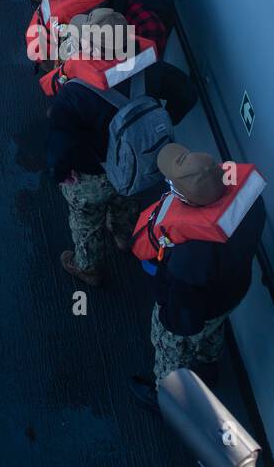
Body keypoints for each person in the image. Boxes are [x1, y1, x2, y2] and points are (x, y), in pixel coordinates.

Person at [47, 35, 198, 285]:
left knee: (87, 222)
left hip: (91, 176)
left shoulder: (73, 93)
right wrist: (165, 122)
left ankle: (88, 267)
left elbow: (58, 150)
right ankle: (125, 236)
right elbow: (187, 92)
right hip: (138, 168)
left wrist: (61, 174)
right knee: (126, 201)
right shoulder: (150, 71)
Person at [129, 148, 267, 408]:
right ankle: (208, 366)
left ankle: (166, 398)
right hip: (232, 293)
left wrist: (167, 321)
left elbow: (183, 315)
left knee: (170, 350)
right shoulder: (251, 203)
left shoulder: (190, 256)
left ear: (183, 197)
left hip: (195, 309)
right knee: (213, 330)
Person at [38, 5, 160, 98]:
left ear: (94, 50)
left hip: (90, 105)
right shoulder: (144, 48)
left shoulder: (77, 63)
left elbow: (50, 85)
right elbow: (178, 87)